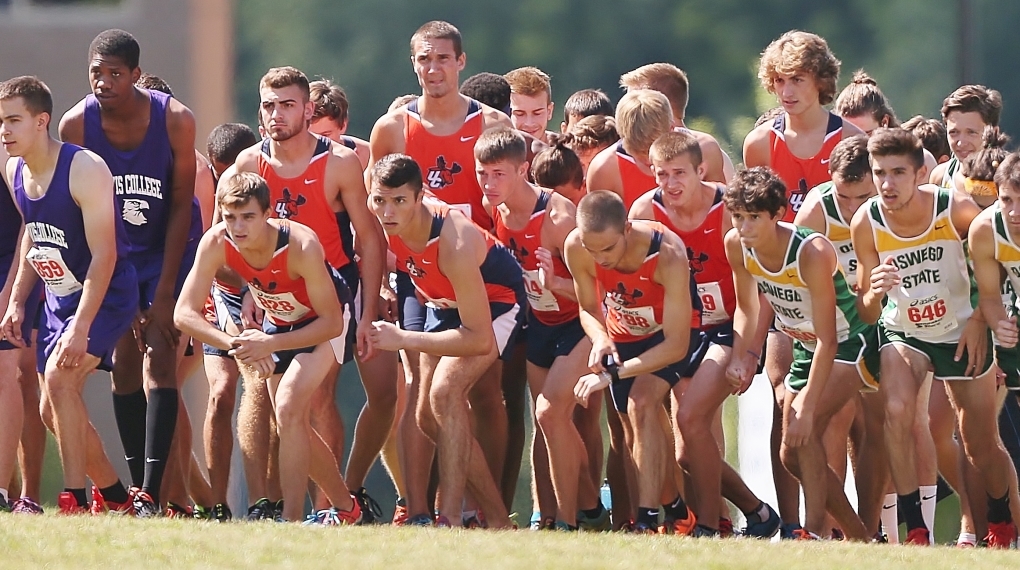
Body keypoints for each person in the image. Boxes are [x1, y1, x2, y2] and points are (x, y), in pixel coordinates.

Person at [367, 20, 512, 522]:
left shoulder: (492, 125)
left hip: (478, 271)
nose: (433, 69)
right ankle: (418, 507)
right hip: (417, 275)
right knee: (420, 391)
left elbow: (507, 201)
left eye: (443, 59)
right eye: (424, 59)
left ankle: (482, 508)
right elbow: (376, 207)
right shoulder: (392, 129)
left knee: (487, 392)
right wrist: (386, 269)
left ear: (461, 63)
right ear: (414, 64)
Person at [230, 65, 388, 521]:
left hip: (330, 294)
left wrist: (368, 306)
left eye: (287, 105)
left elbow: (369, 238)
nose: (277, 115)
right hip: (275, 296)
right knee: (286, 412)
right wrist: (248, 296)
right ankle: (341, 506)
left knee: (310, 400)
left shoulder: (338, 162)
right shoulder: (248, 165)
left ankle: (308, 514)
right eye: (268, 106)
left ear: (307, 109)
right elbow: (237, 238)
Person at [852, 127, 1016, 546]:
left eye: (898, 173)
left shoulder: (954, 209)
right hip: (905, 331)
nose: (887, 184)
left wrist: (981, 318)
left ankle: (999, 517)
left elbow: (991, 261)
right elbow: (868, 312)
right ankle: (917, 530)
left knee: (980, 441)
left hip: (962, 330)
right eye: (879, 173)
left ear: (919, 172)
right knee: (897, 409)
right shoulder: (866, 221)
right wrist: (874, 289)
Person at [58, 29, 199, 516]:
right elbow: (75, 212)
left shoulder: (175, 119)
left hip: (165, 251)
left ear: (137, 76)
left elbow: (183, 203)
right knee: (122, 363)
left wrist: (162, 297)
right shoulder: (76, 124)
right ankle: (136, 490)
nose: (104, 82)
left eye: (115, 73)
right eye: (96, 72)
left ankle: (153, 492)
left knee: (161, 354)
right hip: (111, 255)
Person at [174, 171, 361, 524]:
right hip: (276, 323)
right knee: (290, 421)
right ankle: (347, 508)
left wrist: (269, 343)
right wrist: (238, 345)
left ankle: (290, 521)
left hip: (324, 321)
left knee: (289, 404)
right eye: (230, 217)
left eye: (248, 217)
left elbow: (332, 322)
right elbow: (183, 313)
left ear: (268, 213)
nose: (238, 227)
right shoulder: (216, 242)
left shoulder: (301, 244)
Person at [629, 131, 781, 537]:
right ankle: (758, 513)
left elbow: (758, 296)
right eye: (661, 174)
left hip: (728, 331)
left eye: (679, 173)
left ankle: (712, 529)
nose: (670, 184)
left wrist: (746, 355)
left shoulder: (731, 214)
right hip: (680, 331)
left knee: (692, 419)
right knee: (685, 451)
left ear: (701, 170)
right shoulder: (646, 211)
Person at [743, 31, 865, 534]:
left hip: (842, 291)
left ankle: (837, 530)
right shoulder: (760, 142)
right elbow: (755, 228)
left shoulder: (851, 139)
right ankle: (794, 527)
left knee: (834, 420)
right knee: (781, 403)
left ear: (821, 81)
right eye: (779, 81)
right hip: (782, 292)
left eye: (797, 79)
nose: (787, 90)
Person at [0, 75, 138, 515]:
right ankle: (117, 498)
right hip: (59, 296)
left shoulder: (85, 168)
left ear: (42, 121)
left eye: (14, 120)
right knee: (49, 409)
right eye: (1, 121)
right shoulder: (14, 169)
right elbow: (33, 237)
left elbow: (105, 256)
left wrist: (80, 328)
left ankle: (74, 499)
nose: (4, 131)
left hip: (108, 291)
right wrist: (19, 300)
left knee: (61, 382)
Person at [365, 153, 524, 529]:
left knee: (444, 393)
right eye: (380, 200)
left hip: (497, 305)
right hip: (446, 304)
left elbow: (479, 338)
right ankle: (499, 520)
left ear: (421, 198)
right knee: (426, 418)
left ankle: (448, 518)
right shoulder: (385, 222)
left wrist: (403, 337)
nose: (388, 211)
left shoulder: (453, 242)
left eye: (399, 201)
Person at [725, 166, 876, 541]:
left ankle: (813, 533)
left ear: (778, 214)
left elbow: (829, 337)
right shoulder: (736, 244)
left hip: (852, 341)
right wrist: (741, 355)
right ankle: (859, 539)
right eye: (738, 217)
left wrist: (807, 405)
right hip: (810, 346)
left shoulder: (811, 251)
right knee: (790, 454)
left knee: (804, 431)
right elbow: (747, 308)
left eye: (754, 218)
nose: (744, 228)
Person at [474, 127, 607, 531]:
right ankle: (582, 512)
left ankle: (566, 523)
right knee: (546, 421)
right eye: (483, 173)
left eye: (499, 174)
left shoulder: (558, 217)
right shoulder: (493, 207)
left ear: (523, 170)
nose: (489, 183)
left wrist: (558, 284)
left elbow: (601, 289)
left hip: (582, 324)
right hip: (540, 326)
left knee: (550, 414)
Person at [566, 190, 699, 534]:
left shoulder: (667, 254)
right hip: (622, 335)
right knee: (635, 429)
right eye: (591, 249)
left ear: (626, 228)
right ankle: (677, 510)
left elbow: (676, 345)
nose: (600, 258)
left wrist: (611, 373)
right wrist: (600, 339)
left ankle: (646, 522)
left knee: (641, 403)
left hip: (670, 335)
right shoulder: (577, 247)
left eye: (607, 249)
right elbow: (588, 309)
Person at [792, 135, 889, 538]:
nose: (852, 208)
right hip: (835, 323)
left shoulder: (891, 206)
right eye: (843, 197)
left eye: (862, 196)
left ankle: (870, 528)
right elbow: (788, 270)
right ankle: (827, 528)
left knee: (879, 425)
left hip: (885, 318)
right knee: (824, 423)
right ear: (830, 182)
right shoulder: (816, 210)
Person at [201, 121, 259, 521]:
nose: (226, 181)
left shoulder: (261, 190)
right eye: (218, 172)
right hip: (222, 294)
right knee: (222, 392)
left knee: (264, 397)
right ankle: (217, 504)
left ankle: (264, 503)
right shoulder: (205, 189)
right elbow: (213, 260)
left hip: (268, 294)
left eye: (232, 172)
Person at [619, 63, 734, 184]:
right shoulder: (617, 157)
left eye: (636, 100)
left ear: (660, 103)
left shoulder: (707, 150)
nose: (628, 110)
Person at [586, 89, 672, 210]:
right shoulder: (603, 168)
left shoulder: (698, 155)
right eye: (639, 154)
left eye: (655, 152)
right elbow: (601, 227)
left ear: (671, 129)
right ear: (621, 134)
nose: (649, 162)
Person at [928, 85, 1002, 190]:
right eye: (954, 132)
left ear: (994, 132)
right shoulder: (940, 177)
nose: (961, 143)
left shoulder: (1008, 177)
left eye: (971, 132)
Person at [308, 79, 370, 169]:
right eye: (310, 135)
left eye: (325, 135)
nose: (317, 142)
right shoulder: (285, 161)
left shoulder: (366, 155)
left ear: (343, 126)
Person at [505, 67, 557, 145]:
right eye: (520, 114)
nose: (529, 123)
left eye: (537, 113)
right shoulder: (492, 154)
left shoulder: (567, 153)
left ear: (549, 111)